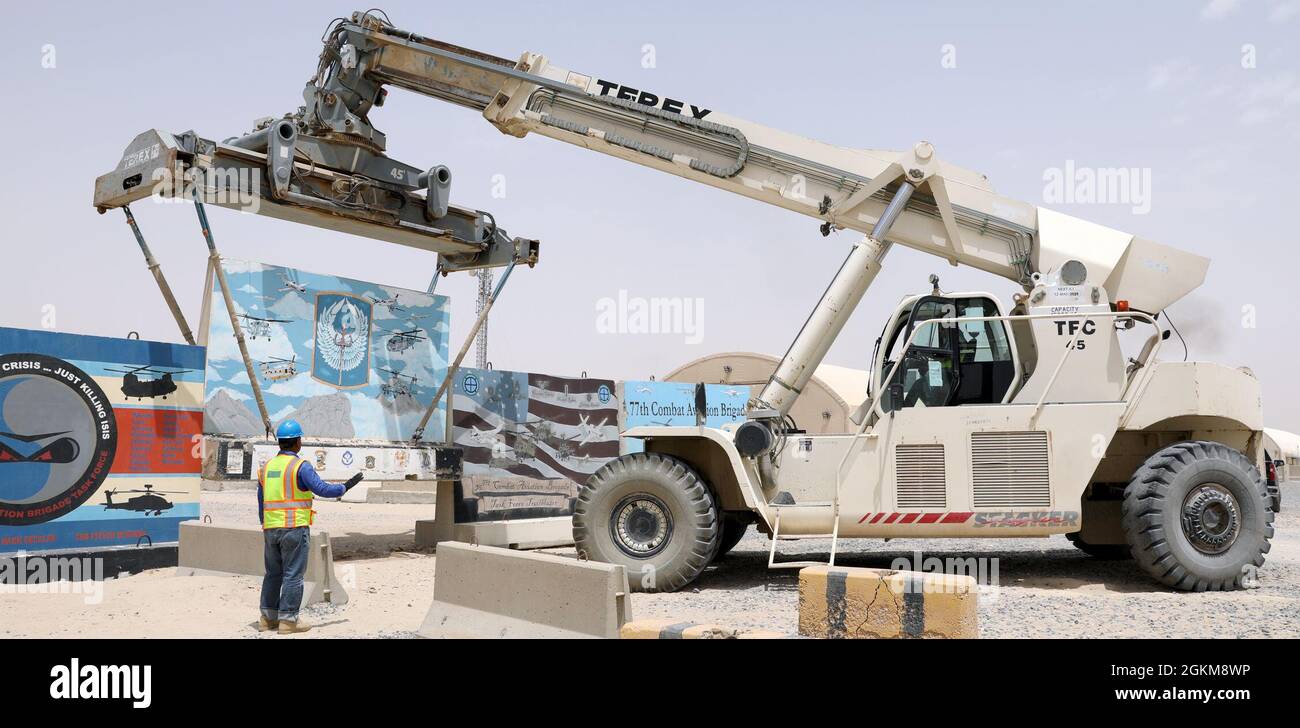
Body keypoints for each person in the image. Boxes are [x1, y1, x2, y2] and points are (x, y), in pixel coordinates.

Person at [257, 419, 363, 634]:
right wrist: (346, 486)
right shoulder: (300, 466)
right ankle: (288, 621)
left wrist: (265, 523)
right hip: (294, 528)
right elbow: (323, 489)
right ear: (297, 442)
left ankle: (267, 619)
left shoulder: (267, 467)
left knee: (272, 574)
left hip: (270, 528)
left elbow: (261, 500)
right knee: (293, 575)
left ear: (280, 443)